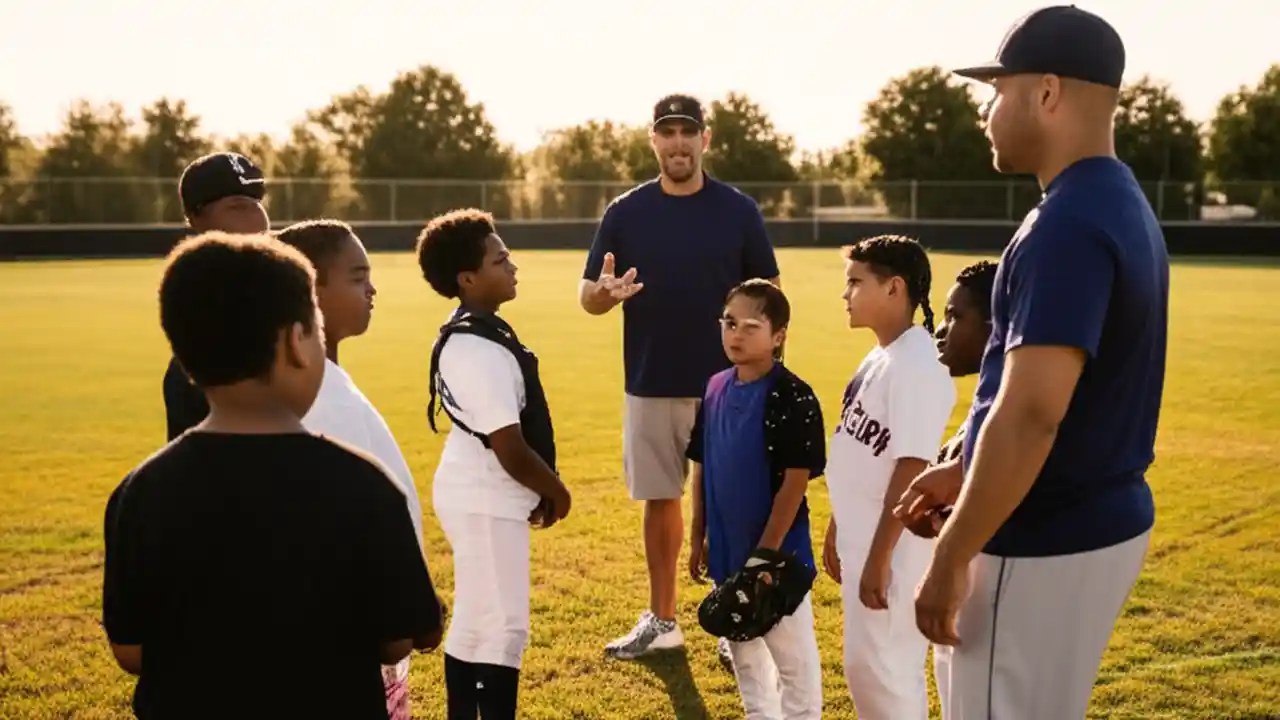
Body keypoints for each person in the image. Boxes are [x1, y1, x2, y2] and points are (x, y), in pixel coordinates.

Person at [909, 7, 1170, 720]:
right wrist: (964, 463)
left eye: (1000, 91)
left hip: (1042, 536)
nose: (988, 113)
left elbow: (1031, 416)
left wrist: (953, 551)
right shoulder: (1118, 202)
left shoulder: (1067, 223)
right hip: (1094, 520)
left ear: (1048, 93)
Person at [102, 231, 443, 719]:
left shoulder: (140, 492)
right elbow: (400, 640)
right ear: (296, 343)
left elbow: (130, 653)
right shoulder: (362, 485)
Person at [579, 93, 781, 663]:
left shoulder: (737, 210)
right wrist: (603, 294)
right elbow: (589, 294)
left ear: (705, 139)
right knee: (660, 497)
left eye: (686, 132)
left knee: (732, 499)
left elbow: (770, 289)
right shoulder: (625, 212)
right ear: (653, 141)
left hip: (731, 382)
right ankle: (663, 620)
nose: (677, 143)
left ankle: (731, 615)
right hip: (652, 377)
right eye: (666, 133)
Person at [418, 208, 572, 719]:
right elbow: (508, 446)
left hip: (485, 493)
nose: (513, 266)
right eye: (500, 260)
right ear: (467, 279)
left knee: (481, 621)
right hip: (482, 496)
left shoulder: (483, 330)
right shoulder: (472, 348)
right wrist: (556, 490)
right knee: (502, 626)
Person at [275, 218, 426, 719]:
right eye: (358, 277)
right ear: (309, 289)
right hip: (352, 647)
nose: (372, 289)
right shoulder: (314, 400)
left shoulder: (331, 379)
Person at [820, 235, 956, 720]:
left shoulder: (917, 365)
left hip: (894, 550)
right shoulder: (884, 355)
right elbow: (860, 449)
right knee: (867, 670)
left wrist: (879, 556)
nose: (846, 294)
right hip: (865, 539)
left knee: (887, 675)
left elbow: (912, 467)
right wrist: (840, 523)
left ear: (895, 288)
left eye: (856, 282)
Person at [687, 279, 826, 720]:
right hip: (727, 552)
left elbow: (794, 483)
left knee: (795, 671)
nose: (736, 335)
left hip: (776, 561)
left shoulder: (793, 396)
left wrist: (764, 559)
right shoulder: (713, 389)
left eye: (751, 326)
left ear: (779, 335)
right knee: (747, 665)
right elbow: (702, 467)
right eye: (729, 323)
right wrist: (698, 537)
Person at [892, 259, 998, 706]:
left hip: (992, 598)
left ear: (996, 326)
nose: (942, 329)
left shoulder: (1009, 414)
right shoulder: (985, 399)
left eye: (956, 318)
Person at [162, 151, 271, 441]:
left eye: (257, 204)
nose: (257, 218)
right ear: (196, 217)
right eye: (237, 206)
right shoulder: (203, 351)